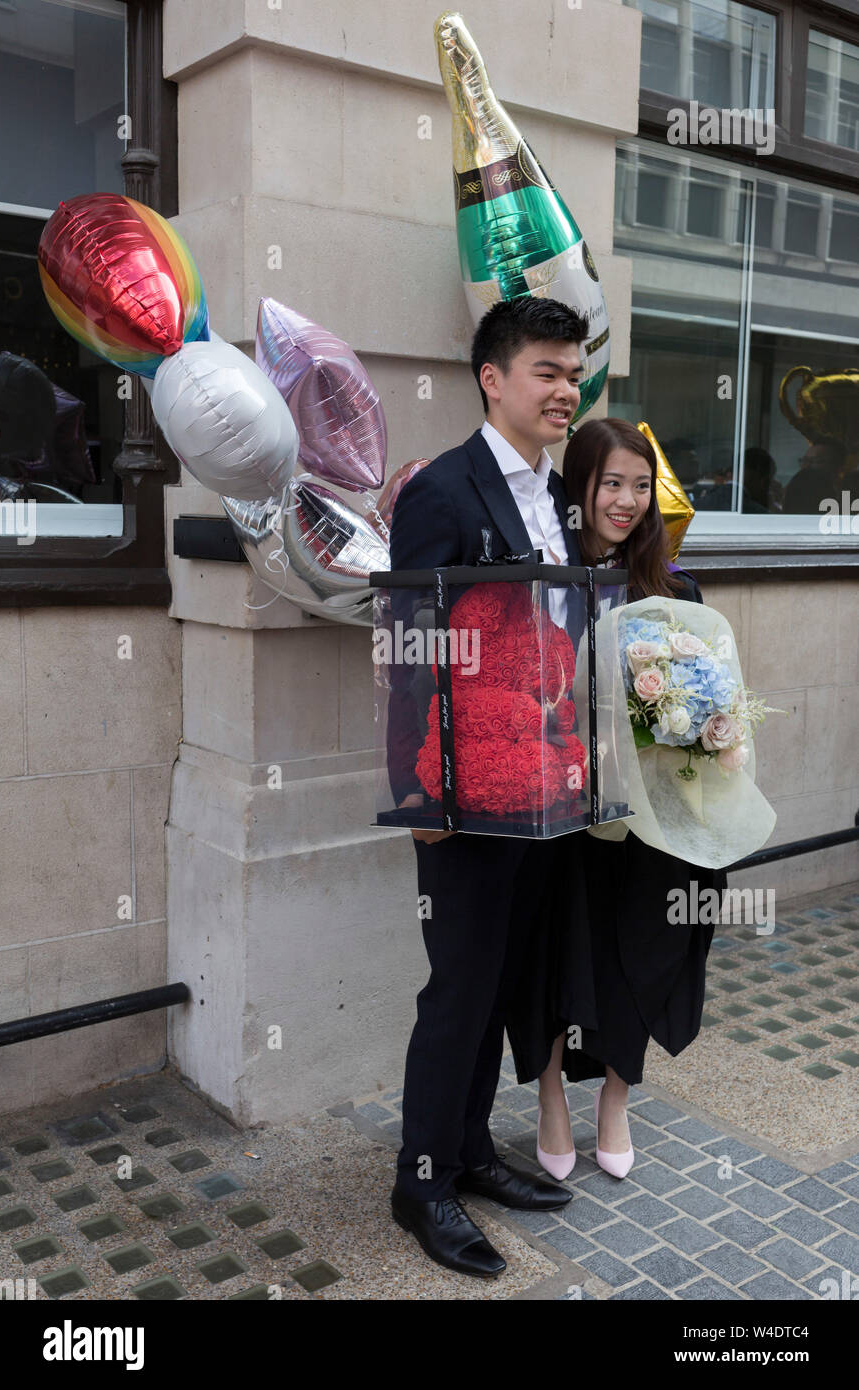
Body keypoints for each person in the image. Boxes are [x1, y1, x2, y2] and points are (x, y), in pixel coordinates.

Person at [387, 296, 594, 1278]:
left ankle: (469, 1151)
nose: (566, 388)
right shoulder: (442, 491)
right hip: (463, 798)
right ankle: (420, 1180)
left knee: (501, 981)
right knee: (457, 990)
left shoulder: (554, 498)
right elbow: (410, 650)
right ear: (492, 378)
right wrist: (420, 797)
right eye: (547, 371)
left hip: (539, 791)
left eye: (573, 369)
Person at [506, 417, 717, 1181]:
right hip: (559, 813)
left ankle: (617, 1099)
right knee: (554, 953)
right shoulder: (546, 587)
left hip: (645, 823)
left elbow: (708, 705)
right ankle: (552, 1095)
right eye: (609, 484)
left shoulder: (674, 591)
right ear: (580, 488)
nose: (625, 502)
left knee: (642, 951)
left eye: (638, 485)